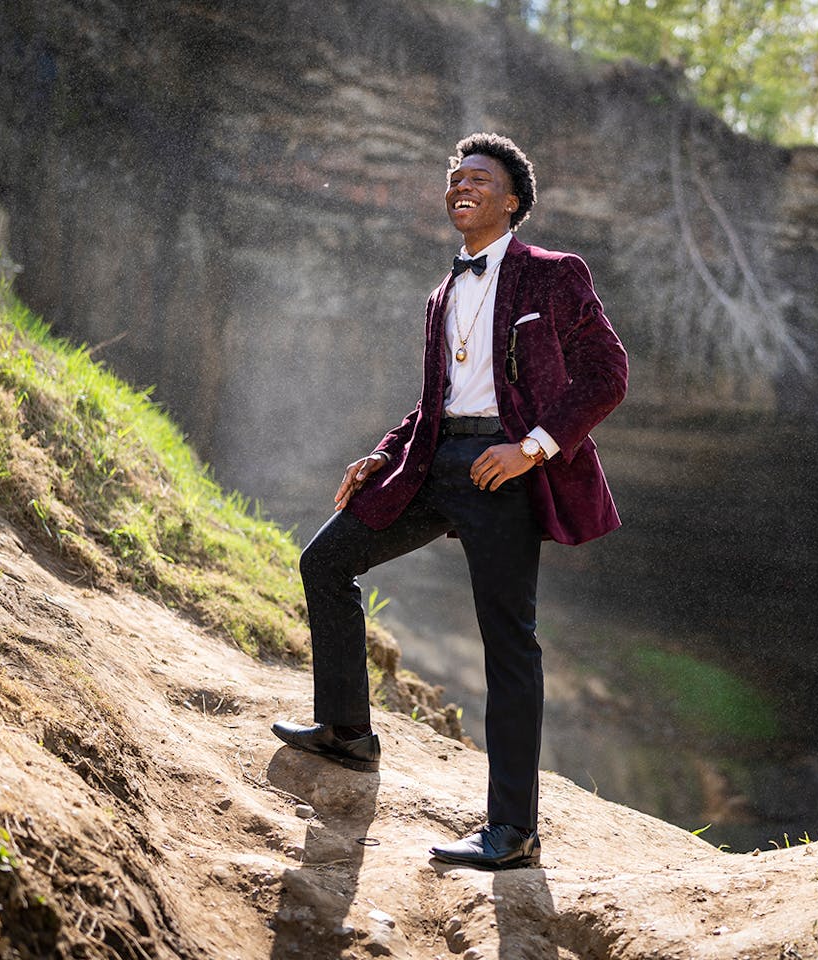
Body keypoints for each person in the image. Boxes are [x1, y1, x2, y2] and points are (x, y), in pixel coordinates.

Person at [272, 132, 627, 870]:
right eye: (453, 176)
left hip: (507, 469)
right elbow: (435, 401)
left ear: (512, 200)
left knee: (509, 644)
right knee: (326, 561)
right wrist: (383, 451)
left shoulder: (555, 275)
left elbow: (607, 374)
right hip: (433, 462)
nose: (460, 185)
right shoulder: (442, 291)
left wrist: (530, 447)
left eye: (478, 177)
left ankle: (513, 832)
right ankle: (347, 732)